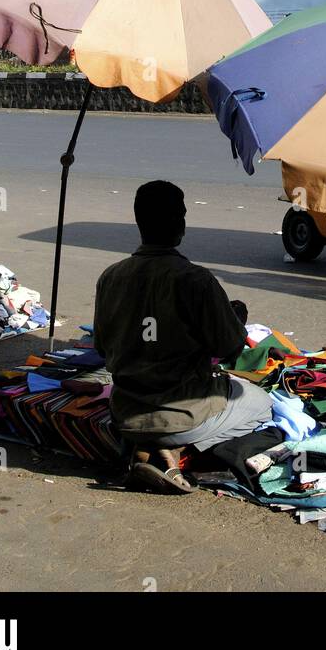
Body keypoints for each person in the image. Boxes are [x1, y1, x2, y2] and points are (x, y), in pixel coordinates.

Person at [92, 180, 273, 493]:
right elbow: (229, 346)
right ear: (180, 223)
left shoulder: (111, 277)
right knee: (261, 403)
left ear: (139, 223)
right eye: (182, 216)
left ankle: (148, 449)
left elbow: (102, 349)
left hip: (126, 414)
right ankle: (175, 452)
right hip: (183, 415)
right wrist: (234, 319)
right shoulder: (195, 280)